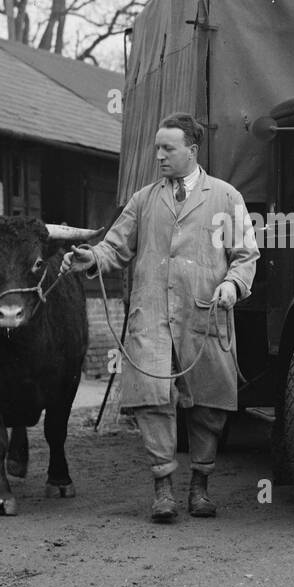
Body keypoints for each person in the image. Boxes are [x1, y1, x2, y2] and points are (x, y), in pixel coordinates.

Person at [61, 112, 259, 522]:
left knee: (207, 404)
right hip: (151, 316)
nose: (159, 156)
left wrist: (232, 286)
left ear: (192, 149)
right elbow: (114, 248)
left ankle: (200, 489)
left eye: (168, 148)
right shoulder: (144, 199)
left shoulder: (225, 198)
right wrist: (90, 257)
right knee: (152, 399)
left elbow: (245, 256)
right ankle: (163, 489)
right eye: (156, 148)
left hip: (205, 314)